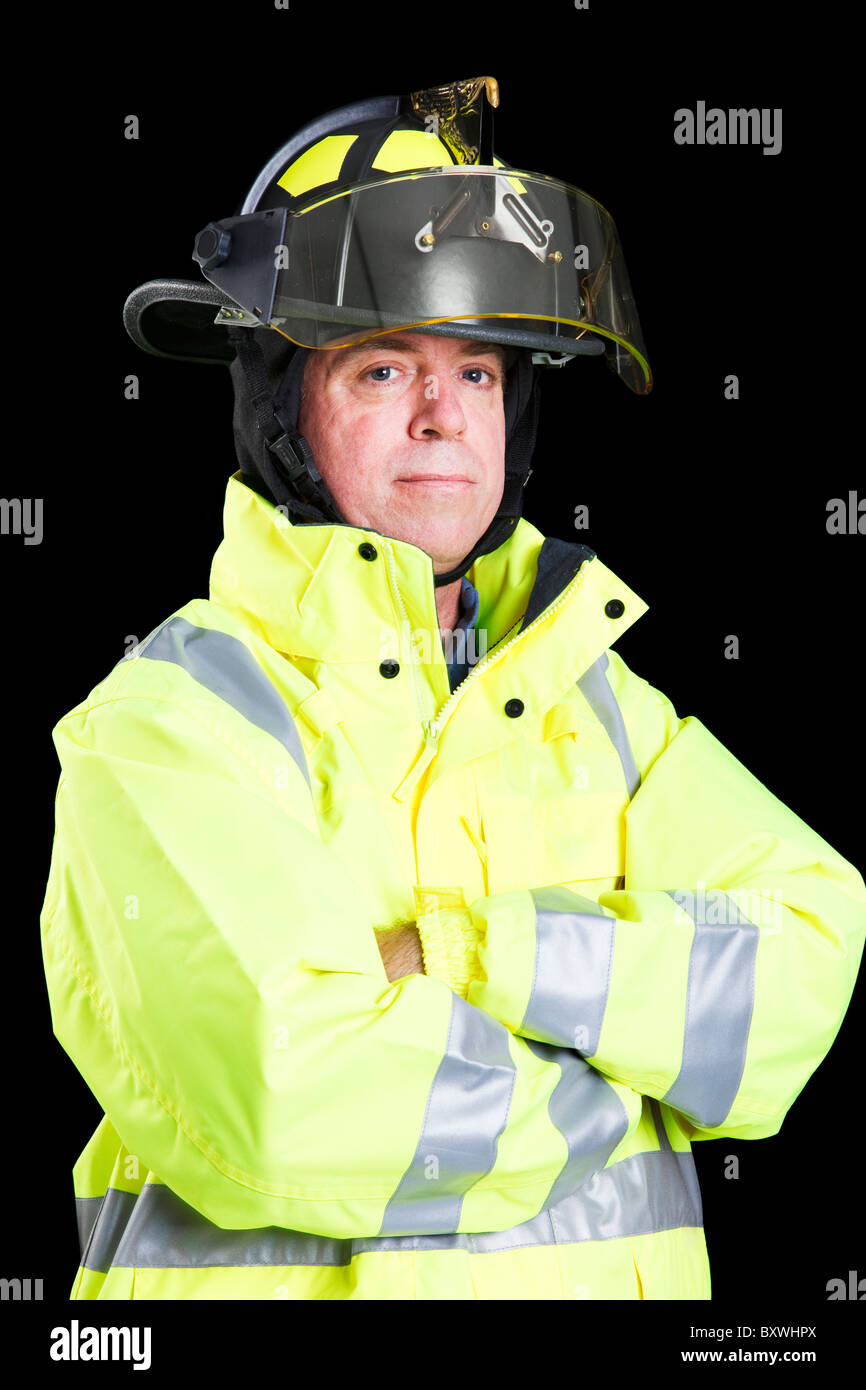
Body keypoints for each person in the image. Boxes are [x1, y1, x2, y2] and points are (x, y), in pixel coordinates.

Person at [40, 75, 865, 1301]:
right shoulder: (168, 729)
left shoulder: (592, 696)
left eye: (477, 372)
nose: (441, 416)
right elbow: (287, 1104)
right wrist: (641, 1071)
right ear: (282, 412)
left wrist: (459, 955)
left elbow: (802, 961)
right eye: (382, 369)